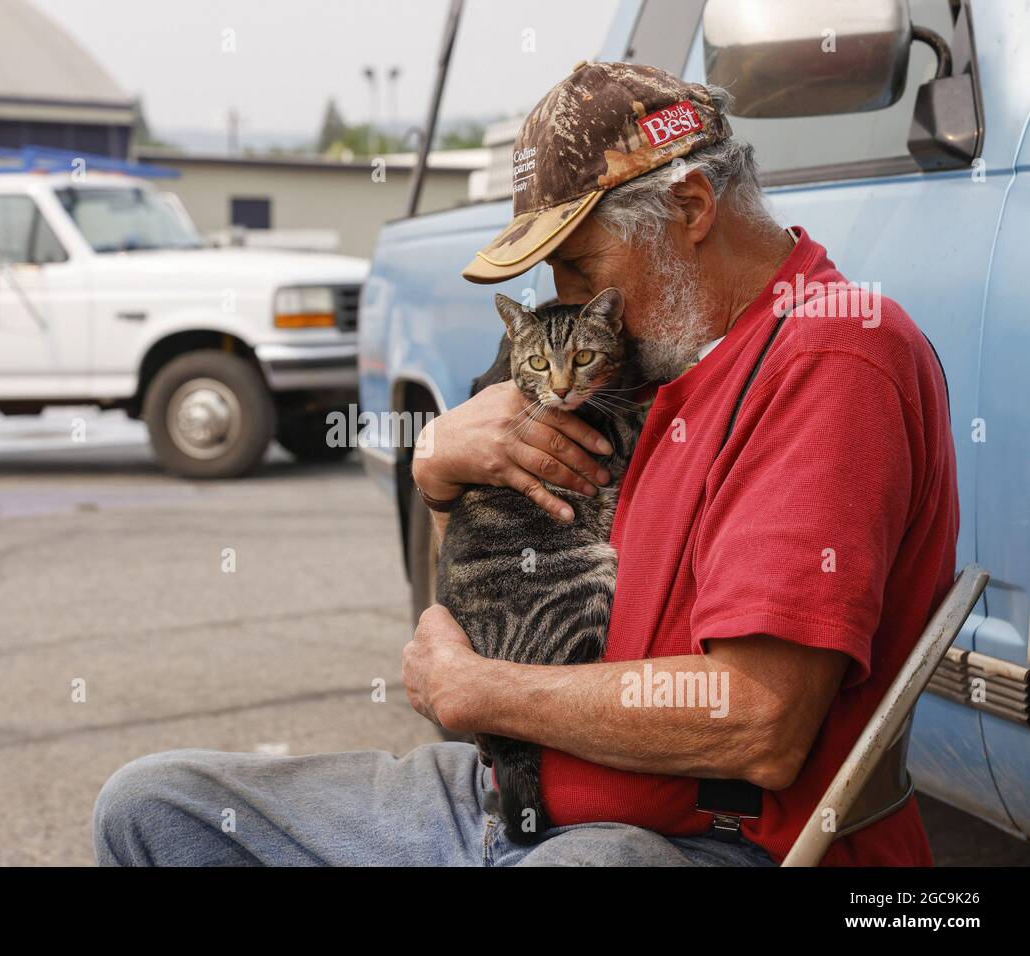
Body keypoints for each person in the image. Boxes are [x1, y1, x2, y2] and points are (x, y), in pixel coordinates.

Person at [93, 61, 957, 866]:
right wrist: (438, 471)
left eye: (579, 270)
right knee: (150, 809)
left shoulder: (833, 355)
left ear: (691, 207)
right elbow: (496, 566)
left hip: (694, 839)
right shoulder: (658, 348)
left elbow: (757, 722)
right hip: (513, 798)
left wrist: (478, 692)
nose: (572, 309)